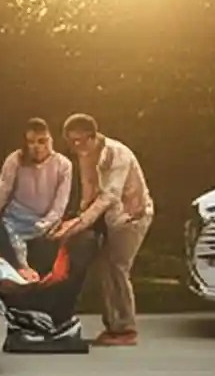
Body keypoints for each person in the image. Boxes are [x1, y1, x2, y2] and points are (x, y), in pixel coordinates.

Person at [50, 113, 153, 346]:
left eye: (81, 140)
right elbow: (89, 190)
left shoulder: (117, 154)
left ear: (93, 136)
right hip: (107, 217)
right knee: (102, 267)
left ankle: (126, 329)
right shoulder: (84, 155)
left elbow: (110, 195)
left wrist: (81, 223)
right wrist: (76, 219)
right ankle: (114, 326)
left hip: (131, 216)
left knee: (116, 267)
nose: (76, 146)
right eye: (72, 141)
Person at [0, 117, 73, 282]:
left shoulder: (63, 165)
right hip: (14, 220)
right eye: (31, 142)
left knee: (51, 258)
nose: (37, 147)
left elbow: (60, 205)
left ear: (50, 140)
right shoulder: (15, 160)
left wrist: (45, 224)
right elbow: (1, 191)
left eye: (42, 141)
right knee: (3, 239)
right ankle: (20, 271)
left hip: (46, 223)